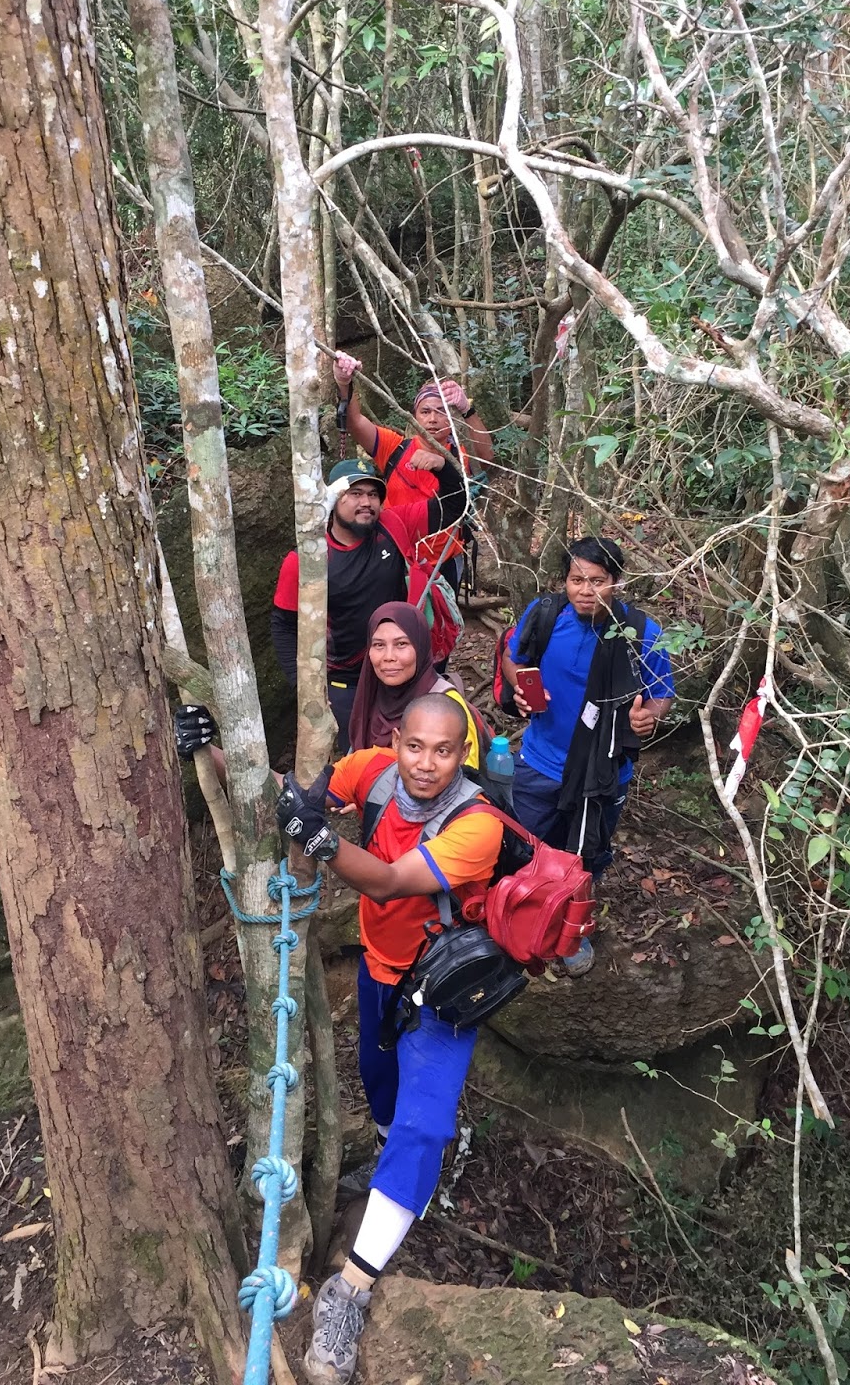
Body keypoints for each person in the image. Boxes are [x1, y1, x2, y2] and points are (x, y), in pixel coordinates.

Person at [273, 694, 503, 1385]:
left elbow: (391, 883)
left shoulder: (478, 824)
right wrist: (210, 752)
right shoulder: (373, 772)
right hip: (380, 971)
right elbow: (296, 790)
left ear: (462, 753)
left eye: (443, 751)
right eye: (415, 746)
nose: (425, 764)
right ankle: (394, 1169)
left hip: (444, 989)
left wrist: (322, 843)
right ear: (396, 740)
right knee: (377, 1084)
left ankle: (351, 1290)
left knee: (423, 1125)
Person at [500, 537, 674, 970]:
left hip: (603, 770)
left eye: (598, 581)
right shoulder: (544, 614)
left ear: (616, 582)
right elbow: (512, 656)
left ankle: (570, 934)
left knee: (585, 856)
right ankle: (516, 920)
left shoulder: (639, 632)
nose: (585, 590)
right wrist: (520, 686)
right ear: (565, 580)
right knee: (524, 844)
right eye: (577, 579)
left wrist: (646, 719)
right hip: (540, 759)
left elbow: (662, 694)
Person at [271, 454, 468, 750]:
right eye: (355, 494)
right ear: (333, 500)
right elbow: (283, 625)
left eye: (373, 494)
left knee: (416, 750)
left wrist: (442, 467)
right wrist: (303, 686)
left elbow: (453, 507)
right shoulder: (305, 561)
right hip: (345, 681)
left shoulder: (392, 525)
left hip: (404, 668)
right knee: (361, 760)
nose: (367, 502)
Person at [331, 353, 492, 587]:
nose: (433, 419)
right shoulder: (394, 448)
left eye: (441, 411)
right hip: (396, 554)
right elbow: (355, 422)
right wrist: (344, 383)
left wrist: (467, 409)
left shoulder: (460, 456)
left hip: (445, 558)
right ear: (415, 417)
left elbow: (487, 459)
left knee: (442, 620)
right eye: (425, 412)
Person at [348, 602, 485, 768]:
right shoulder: (371, 696)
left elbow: (464, 778)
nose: (388, 656)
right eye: (379, 645)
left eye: (401, 644)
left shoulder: (448, 705)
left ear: (420, 647)